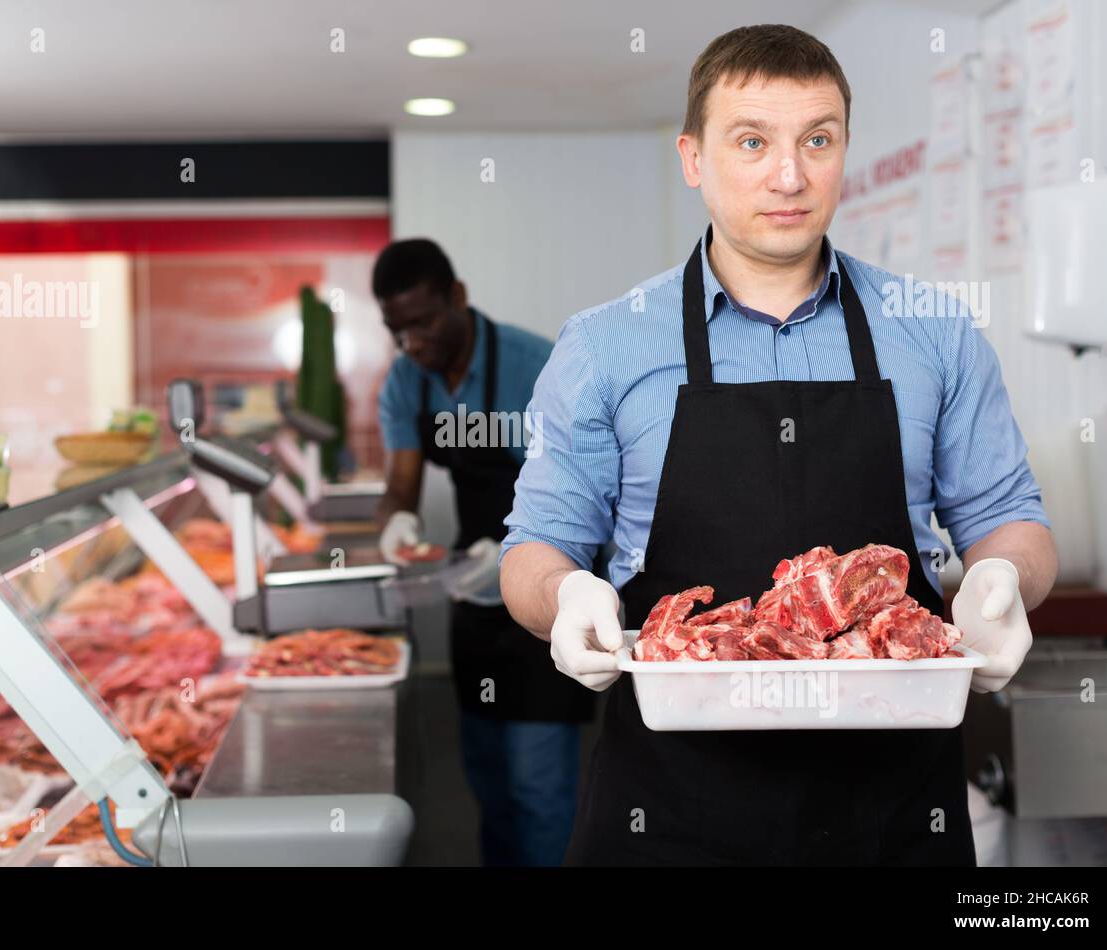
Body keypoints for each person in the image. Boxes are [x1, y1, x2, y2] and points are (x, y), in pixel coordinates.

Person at [499, 24, 1058, 866]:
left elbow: (1010, 517)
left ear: (843, 150)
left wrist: (1003, 578)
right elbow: (534, 547)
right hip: (671, 807)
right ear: (693, 157)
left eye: (818, 140)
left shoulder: (934, 332)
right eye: (752, 140)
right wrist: (565, 596)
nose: (789, 175)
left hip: (890, 809)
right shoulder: (605, 345)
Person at [371, 238, 594, 866]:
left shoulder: (533, 367)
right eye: (397, 330)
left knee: (538, 787)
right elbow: (399, 485)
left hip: (548, 589)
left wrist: (521, 555)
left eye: (422, 322)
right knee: (487, 780)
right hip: (474, 595)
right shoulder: (407, 381)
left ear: (458, 298)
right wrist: (398, 522)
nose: (412, 343)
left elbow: (579, 494)